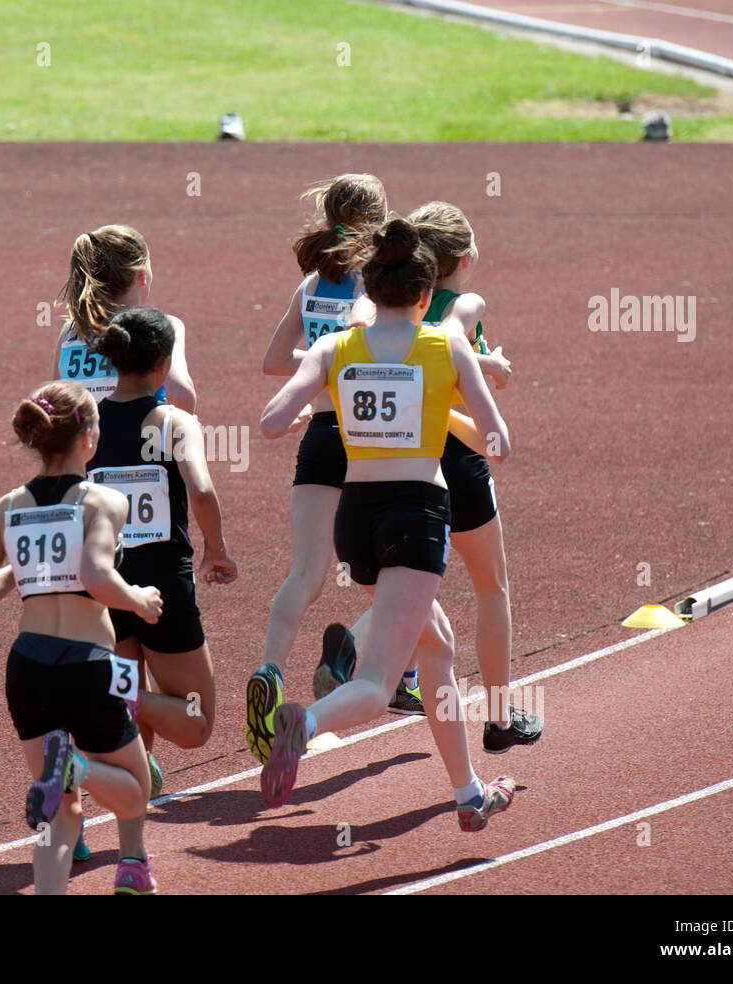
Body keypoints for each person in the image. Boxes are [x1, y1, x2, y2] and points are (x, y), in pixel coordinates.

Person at [258, 217, 517, 831]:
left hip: (357, 520)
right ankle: (306, 722)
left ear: (369, 292)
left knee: (439, 646)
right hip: (416, 516)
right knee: (377, 681)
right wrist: (445, 406)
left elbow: (272, 421)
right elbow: (498, 443)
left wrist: (325, 398)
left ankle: (468, 792)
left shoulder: (335, 348)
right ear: (426, 295)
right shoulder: (446, 346)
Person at [315, 201, 541, 752]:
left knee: (406, 580)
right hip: (452, 458)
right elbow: (448, 337)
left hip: (387, 460)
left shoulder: (378, 306)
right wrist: (487, 366)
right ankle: (497, 715)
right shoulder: (466, 302)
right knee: (491, 586)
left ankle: (359, 644)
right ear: (463, 257)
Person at [0, 381, 164, 895]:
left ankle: (68, 778)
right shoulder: (103, 500)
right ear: (88, 437)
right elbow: (97, 576)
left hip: (28, 667)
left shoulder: (8, 506)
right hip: (88, 665)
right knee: (136, 792)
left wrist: (22, 575)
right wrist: (139, 598)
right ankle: (75, 766)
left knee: (61, 813)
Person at [82, 306, 237, 862]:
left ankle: (128, 844)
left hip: (103, 586)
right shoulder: (173, 421)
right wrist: (216, 550)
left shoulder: (88, 425)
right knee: (195, 725)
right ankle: (114, 698)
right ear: (165, 364)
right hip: (162, 590)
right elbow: (200, 486)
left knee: (135, 730)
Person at [245, 174, 389, 765]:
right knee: (401, 575)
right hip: (372, 440)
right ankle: (354, 652)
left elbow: (273, 360)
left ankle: (268, 670)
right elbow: (361, 337)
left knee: (305, 570)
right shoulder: (374, 283)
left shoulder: (311, 283)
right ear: (377, 221)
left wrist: (316, 370)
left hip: (321, 435)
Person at [53, 225, 196, 412]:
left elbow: (56, 401)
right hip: (140, 438)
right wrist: (186, 430)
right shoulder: (162, 326)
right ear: (142, 276)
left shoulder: (71, 330)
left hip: (86, 438)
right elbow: (181, 393)